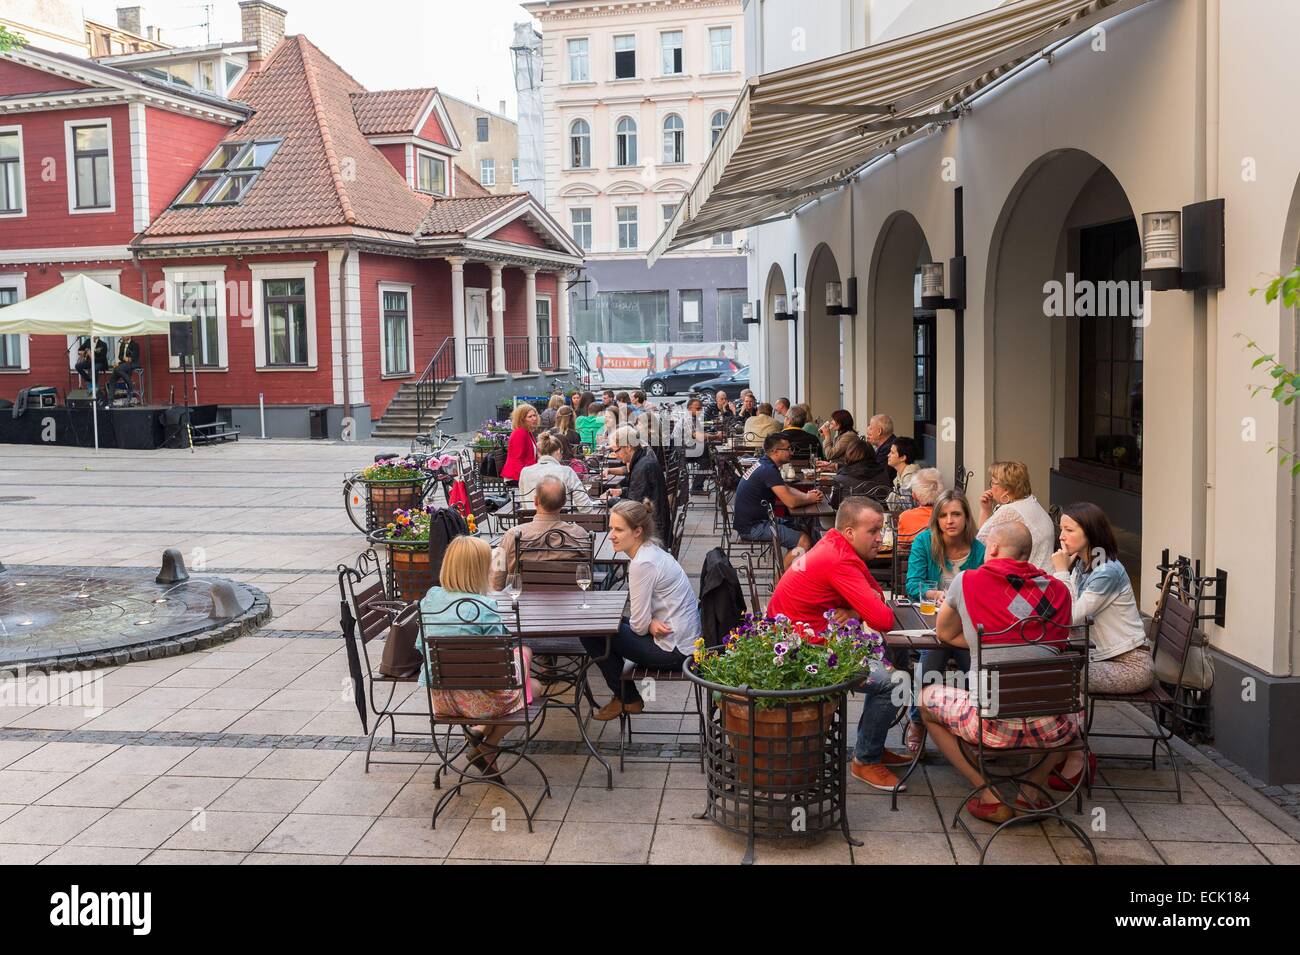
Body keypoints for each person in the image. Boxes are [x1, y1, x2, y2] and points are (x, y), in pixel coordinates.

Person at [919, 523, 1078, 822]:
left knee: (924, 700)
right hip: (1052, 727)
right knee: (1071, 703)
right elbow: (1056, 642)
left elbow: (943, 632)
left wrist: (983, 644)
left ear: (992, 549)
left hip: (990, 726)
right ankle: (1031, 793)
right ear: (1027, 555)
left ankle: (988, 793)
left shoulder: (968, 581)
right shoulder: (1059, 591)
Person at [767, 497, 913, 791]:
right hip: (802, 654)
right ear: (849, 531)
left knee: (887, 658)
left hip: (804, 641)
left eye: (881, 530)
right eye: (873, 531)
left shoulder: (834, 544)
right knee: (896, 680)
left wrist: (857, 610)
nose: (880, 539)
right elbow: (884, 619)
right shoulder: (840, 560)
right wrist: (864, 609)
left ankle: (870, 743)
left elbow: (877, 596)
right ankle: (866, 760)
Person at [1049, 502, 1152, 789]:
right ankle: (1060, 749)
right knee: (1052, 672)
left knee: (1063, 680)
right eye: (1061, 529)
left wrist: (1060, 571)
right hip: (1104, 659)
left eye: (1069, 530)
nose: (1062, 536)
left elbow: (1069, 616)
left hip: (1130, 665)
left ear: (1090, 533)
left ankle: (1076, 756)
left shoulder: (1106, 570)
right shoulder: (1085, 564)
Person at [419, 536, 542, 776]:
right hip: (480, 702)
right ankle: (487, 744)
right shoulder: (484, 607)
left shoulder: (431, 598)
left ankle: (484, 743)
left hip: (442, 698)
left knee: (528, 678)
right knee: (532, 679)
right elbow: (502, 663)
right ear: (479, 569)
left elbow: (420, 647)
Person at [581, 499, 700, 720]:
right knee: (605, 621)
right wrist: (651, 623)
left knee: (589, 629)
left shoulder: (642, 563)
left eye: (618, 529)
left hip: (674, 652)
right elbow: (642, 622)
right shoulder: (651, 550)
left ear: (637, 531)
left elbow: (637, 626)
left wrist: (648, 624)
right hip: (682, 641)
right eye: (610, 528)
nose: (611, 535)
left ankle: (626, 698)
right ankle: (625, 696)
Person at [903, 490, 986, 751]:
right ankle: (921, 721)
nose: (949, 521)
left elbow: (986, 589)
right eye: (944, 515)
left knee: (971, 663)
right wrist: (933, 593)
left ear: (966, 517)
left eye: (956, 514)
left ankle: (972, 724)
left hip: (965, 625)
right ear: (936, 519)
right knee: (935, 653)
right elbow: (911, 584)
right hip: (931, 622)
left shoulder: (979, 549)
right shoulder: (924, 542)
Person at [732, 432, 822, 568]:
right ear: (775, 451)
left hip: (758, 520)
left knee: (802, 528)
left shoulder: (765, 464)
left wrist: (807, 495)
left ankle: (800, 577)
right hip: (752, 527)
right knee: (804, 542)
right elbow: (790, 502)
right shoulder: (768, 469)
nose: (791, 452)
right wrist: (809, 498)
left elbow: (786, 488)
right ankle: (780, 585)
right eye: (787, 449)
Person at [491, 476, 593, 590]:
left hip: (525, 603)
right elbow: (587, 572)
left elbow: (497, 581)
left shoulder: (512, 535)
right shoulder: (580, 534)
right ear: (564, 502)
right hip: (571, 602)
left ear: (536, 501)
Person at [975, 460, 1056, 570]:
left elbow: (980, 544)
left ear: (1006, 489)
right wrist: (986, 508)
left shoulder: (1010, 510)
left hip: (1028, 580)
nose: (991, 488)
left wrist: (985, 511)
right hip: (1045, 575)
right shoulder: (1030, 502)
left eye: (993, 483)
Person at [605, 425, 672, 550]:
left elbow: (633, 507)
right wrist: (621, 491)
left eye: (616, 450)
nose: (615, 455)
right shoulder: (643, 459)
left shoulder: (642, 467)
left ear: (628, 447)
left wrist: (611, 501)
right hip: (655, 523)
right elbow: (640, 492)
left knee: (612, 538)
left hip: (653, 532)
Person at [517, 433, 594, 509]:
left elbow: (524, 503)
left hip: (531, 518)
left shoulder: (525, 472)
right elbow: (584, 506)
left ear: (539, 453)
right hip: (561, 519)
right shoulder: (566, 471)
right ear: (558, 451)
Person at [828, 437, 893, 504]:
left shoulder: (840, 479)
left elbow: (834, 504)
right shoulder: (883, 474)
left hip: (850, 513)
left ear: (849, 454)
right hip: (879, 512)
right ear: (872, 454)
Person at [896, 467, 944, 542]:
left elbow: (901, 546)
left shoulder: (905, 517)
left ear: (914, 496)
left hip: (912, 553)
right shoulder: (947, 516)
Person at [501, 403, 540, 483]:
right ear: (522, 419)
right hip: (515, 477)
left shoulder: (527, 431)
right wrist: (527, 478)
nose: (534, 418)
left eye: (534, 415)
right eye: (530, 417)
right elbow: (517, 459)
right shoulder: (520, 433)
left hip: (525, 473)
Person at [104, 336, 141, 403]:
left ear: (129, 336)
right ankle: (110, 400)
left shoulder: (135, 344)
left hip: (133, 363)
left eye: (124, 335)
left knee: (117, 369)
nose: (122, 337)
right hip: (124, 363)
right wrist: (122, 360)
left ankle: (129, 383)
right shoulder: (122, 344)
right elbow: (120, 356)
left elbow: (135, 356)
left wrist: (129, 358)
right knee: (113, 378)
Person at [865, 414, 897, 478]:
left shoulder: (889, 449)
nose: (868, 432)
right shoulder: (890, 443)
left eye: (870, 428)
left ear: (879, 431)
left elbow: (876, 474)